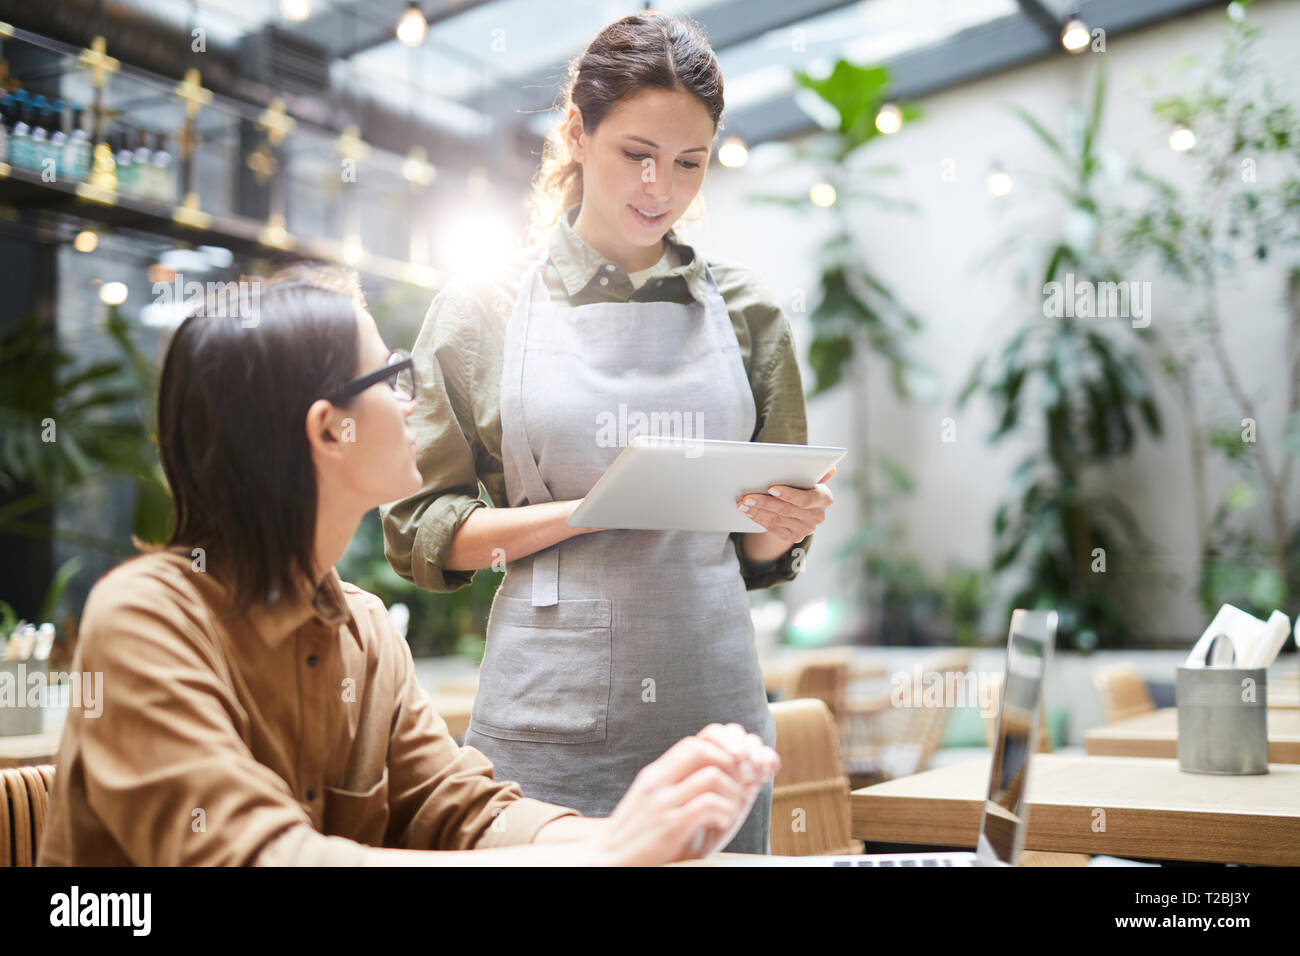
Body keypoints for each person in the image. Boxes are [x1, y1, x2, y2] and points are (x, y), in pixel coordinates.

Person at [38, 265, 778, 866]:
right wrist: (608, 850)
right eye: (390, 379)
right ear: (331, 430)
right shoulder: (146, 619)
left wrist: (646, 829)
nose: (410, 400)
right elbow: (260, 857)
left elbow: (460, 813)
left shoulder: (361, 627)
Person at [381, 12, 834, 854]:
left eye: (690, 163)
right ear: (576, 132)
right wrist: (590, 512)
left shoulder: (749, 313)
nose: (661, 187)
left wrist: (782, 529)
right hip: (544, 724)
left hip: (715, 722)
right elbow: (417, 534)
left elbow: (755, 554)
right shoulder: (482, 308)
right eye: (637, 154)